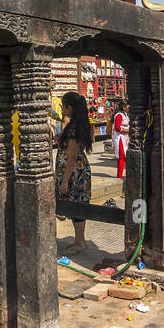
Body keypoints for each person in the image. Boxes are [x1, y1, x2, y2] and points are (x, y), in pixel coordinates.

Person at [56, 91, 98, 251]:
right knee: (77, 205)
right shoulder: (78, 124)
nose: (61, 109)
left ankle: (81, 242)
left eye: (63, 106)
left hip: (74, 173)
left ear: (70, 107)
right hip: (77, 171)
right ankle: (79, 240)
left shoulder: (74, 128)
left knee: (77, 206)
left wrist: (65, 181)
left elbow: (72, 156)